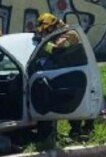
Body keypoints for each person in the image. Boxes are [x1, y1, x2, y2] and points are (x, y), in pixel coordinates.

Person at [33, 12, 92, 141]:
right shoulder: (55, 35)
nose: (44, 33)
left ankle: (81, 130)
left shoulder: (70, 34)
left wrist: (43, 43)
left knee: (74, 102)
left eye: (45, 30)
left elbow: (58, 49)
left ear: (52, 26)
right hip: (63, 71)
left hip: (76, 72)